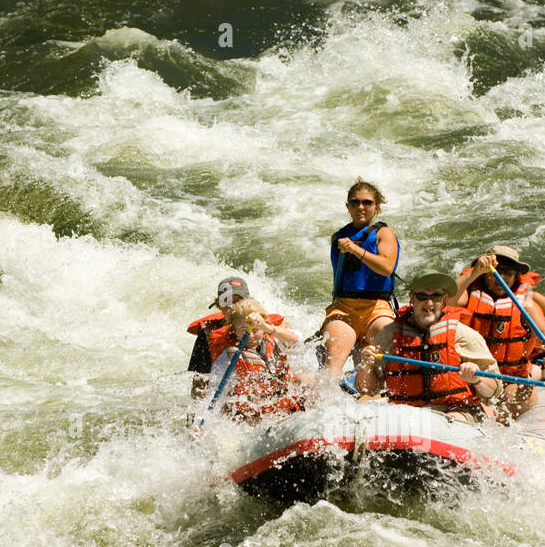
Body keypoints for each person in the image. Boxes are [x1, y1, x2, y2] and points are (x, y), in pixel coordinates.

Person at [355, 273, 501, 423]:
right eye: (422, 296)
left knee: (452, 419)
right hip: (407, 413)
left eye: (436, 296)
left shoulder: (463, 335)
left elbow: (494, 391)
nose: (429, 303)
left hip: (455, 412)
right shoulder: (389, 335)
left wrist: (477, 379)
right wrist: (366, 365)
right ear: (411, 298)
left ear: (444, 300)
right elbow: (368, 390)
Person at [451, 244, 545, 417]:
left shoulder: (527, 302)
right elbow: (448, 301)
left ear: (516, 276)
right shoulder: (470, 294)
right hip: (477, 372)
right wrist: (475, 272)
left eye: (508, 272)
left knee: (513, 399)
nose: (502, 277)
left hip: (513, 374)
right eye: (497, 270)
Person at [321, 178, 400, 381]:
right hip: (344, 307)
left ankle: (378, 387)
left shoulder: (384, 233)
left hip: (376, 307)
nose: (361, 207)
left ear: (377, 206)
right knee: (334, 360)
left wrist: (355, 249)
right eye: (355, 202)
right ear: (348, 206)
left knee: (388, 341)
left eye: (367, 203)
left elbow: (386, 268)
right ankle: (328, 399)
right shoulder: (338, 237)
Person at [202, 298, 306, 423]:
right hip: (250, 418)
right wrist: (203, 426)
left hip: (281, 406)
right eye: (243, 330)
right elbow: (214, 396)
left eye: (255, 330)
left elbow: (298, 342)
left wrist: (266, 327)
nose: (250, 335)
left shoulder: (277, 339)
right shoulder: (228, 358)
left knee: (307, 380)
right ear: (234, 330)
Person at [186, 276, 252, 401]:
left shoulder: (260, 327)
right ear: (219, 305)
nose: (232, 307)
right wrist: (203, 392)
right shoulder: (206, 335)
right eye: (226, 301)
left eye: (237, 301)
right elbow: (196, 387)